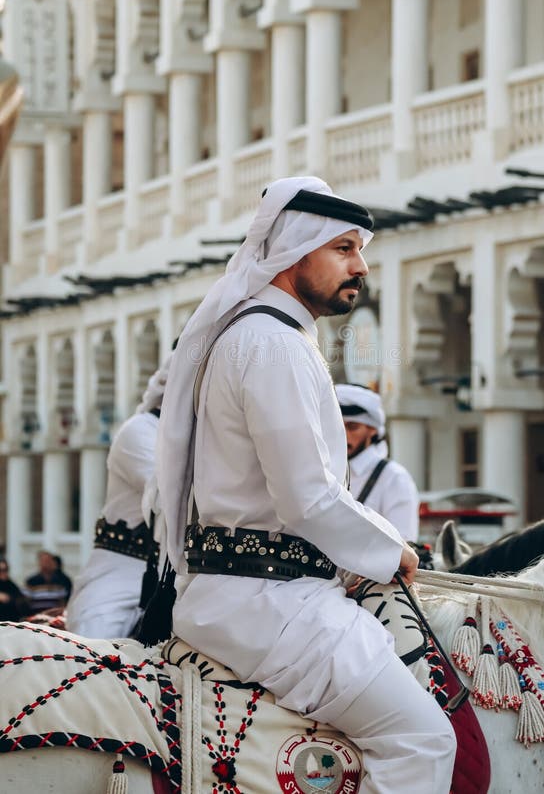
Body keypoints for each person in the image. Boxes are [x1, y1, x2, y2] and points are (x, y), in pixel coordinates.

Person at [157, 176, 456, 794]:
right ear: (296, 251)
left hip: (259, 594)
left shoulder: (261, 336)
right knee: (422, 740)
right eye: (344, 249)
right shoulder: (272, 343)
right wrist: (389, 550)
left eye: (359, 250)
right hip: (271, 603)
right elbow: (306, 496)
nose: (361, 266)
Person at [65, 358, 170, 639]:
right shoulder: (140, 430)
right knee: (94, 649)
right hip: (122, 572)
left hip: (181, 579)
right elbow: (171, 496)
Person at [335, 383, 420, 541]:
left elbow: (403, 545)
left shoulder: (394, 478)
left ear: (372, 429)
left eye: (352, 427)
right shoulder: (327, 471)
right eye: (338, 426)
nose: (343, 435)